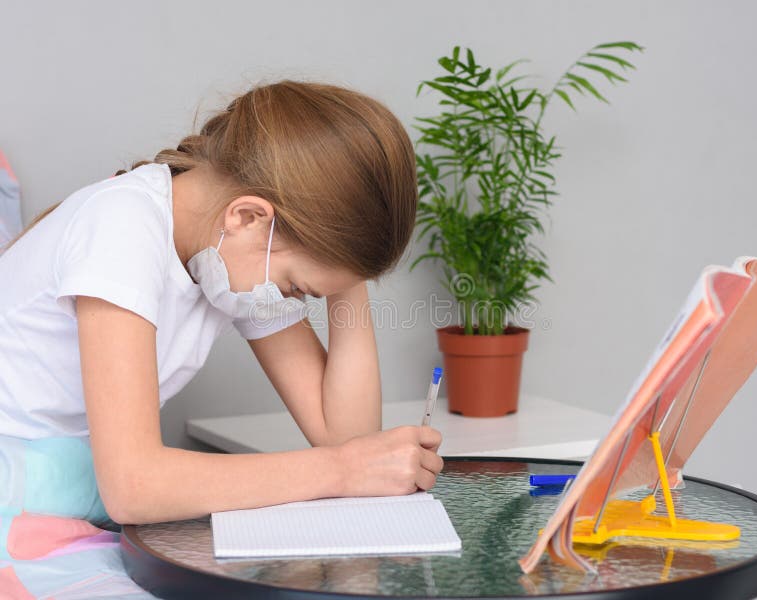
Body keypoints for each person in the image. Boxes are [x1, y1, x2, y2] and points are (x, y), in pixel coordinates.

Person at [0, 80, 443, 574]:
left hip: (69, 506)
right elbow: (133, 485)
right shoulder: (122, 226)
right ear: (249, 216)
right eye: (298, 288)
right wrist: (341, 470)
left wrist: (348, 277)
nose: (288, 300)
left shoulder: (229, 252)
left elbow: (348, 437)